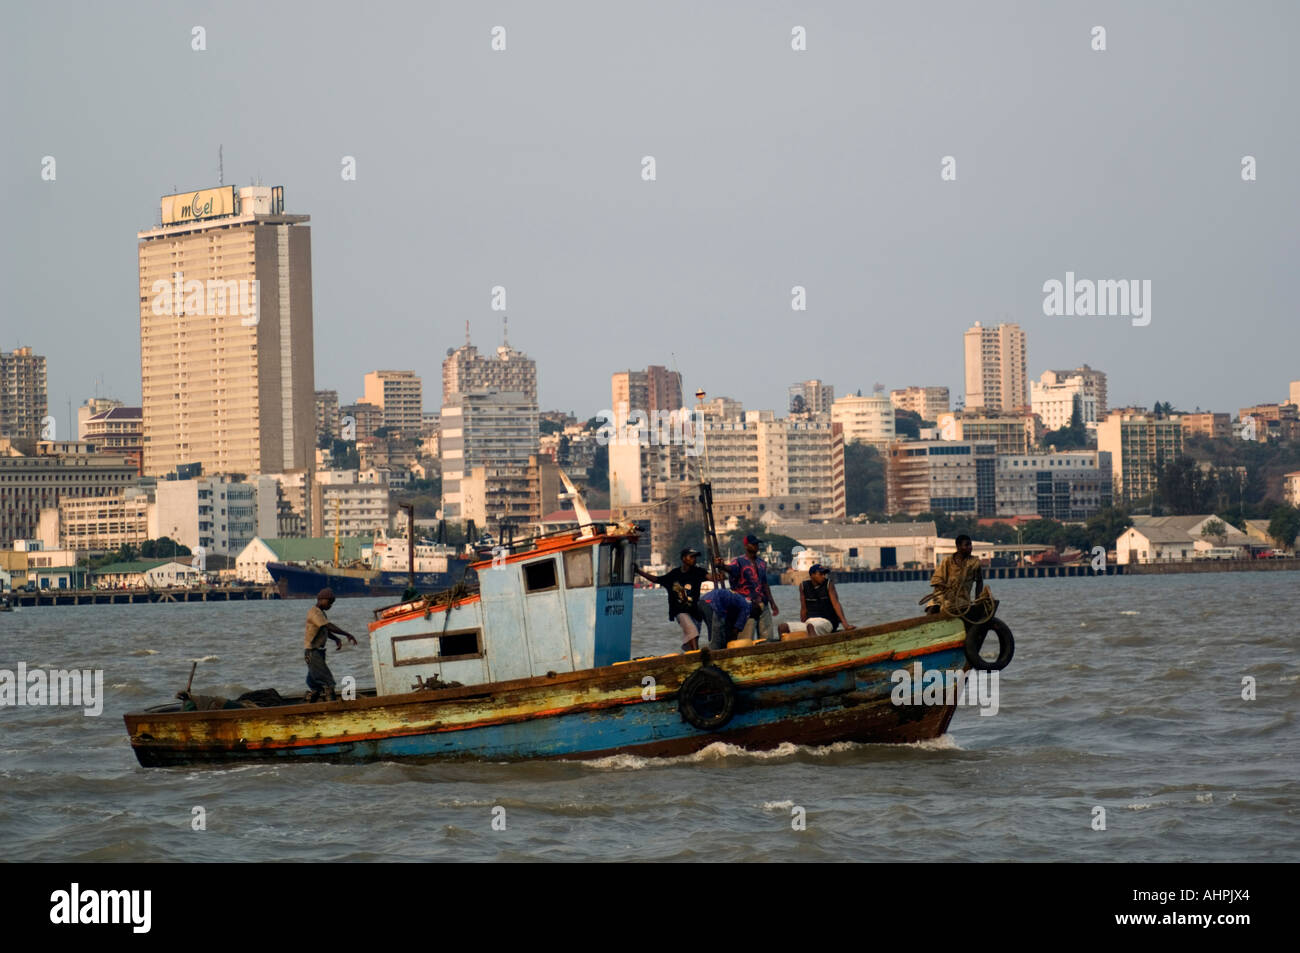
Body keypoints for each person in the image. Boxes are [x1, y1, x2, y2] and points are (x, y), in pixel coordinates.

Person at [636, 548, 709, 651]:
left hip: (694, 611)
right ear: (684, 559)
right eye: (691, 557)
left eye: (695, 557)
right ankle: (697, 655)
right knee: (692, 631)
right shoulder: (674, 574)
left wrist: (720, 568)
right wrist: (639, 572)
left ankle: (689, 651)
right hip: (679, 611)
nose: (694, 559)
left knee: (694, 637)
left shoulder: (698, 572)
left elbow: (712, 577)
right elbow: (657, 579)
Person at [716, 533, 780, 641]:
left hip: (763, 604)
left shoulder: (762, 563)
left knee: (767, 638)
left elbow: (764, 584)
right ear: (746, 545)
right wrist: (721, 566)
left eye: (757, 544)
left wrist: (772, 603)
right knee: (746, 638)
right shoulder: (739, 561)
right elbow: (731, 569)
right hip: (746, 605)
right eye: (753, 544)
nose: (756, 546)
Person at [304, 588, 358, 702]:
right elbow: (328, 626)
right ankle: (332, 707)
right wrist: (346, 634)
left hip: (317, 652)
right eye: (329, 602)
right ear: (321, 600)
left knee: (314, 682)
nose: (330, 606)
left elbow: (325, 630)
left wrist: (336, 638)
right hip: (313, 652)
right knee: (328, 682)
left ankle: (311, 701)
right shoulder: (314, 613)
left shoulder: (321, 613)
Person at [780, 564, 851, 636]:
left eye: (824, 574)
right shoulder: (803, 586)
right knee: (782, 627)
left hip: (827, 622)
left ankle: (813, 645)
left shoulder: (828, 584)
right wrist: (802, 624)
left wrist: (845, 624)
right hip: (809, 623)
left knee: (811, 627)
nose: (823, 576)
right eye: (821, 574)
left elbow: (836, 604)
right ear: (812, 575)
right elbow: (803, 609)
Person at [925, 534, 988, 615]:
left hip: (962, 599)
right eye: (967, 545)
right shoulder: (947, 561)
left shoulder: (974, 563)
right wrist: (943, 586)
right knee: (932, 607)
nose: (970, 547)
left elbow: (979, 582)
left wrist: (978, 600)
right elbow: (937, 578)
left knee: (956, 608)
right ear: (958, 547)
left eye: (970, 544)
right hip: (945, 596)